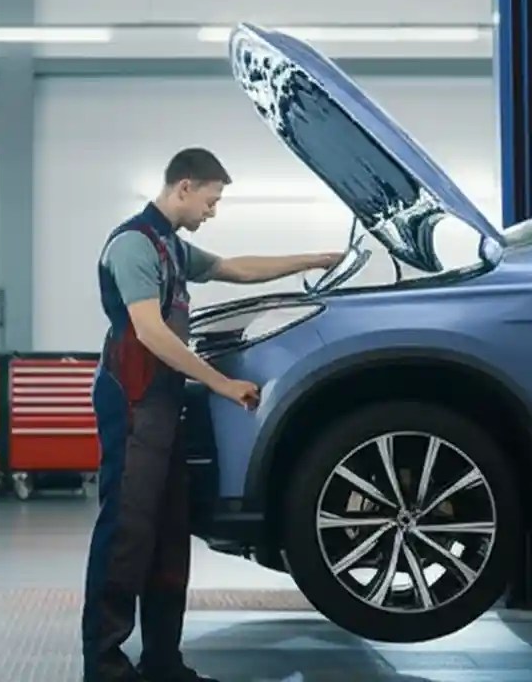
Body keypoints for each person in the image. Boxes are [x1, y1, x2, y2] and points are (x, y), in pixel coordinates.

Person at [80, 147, 343, 682]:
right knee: (128, 531)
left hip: (164, 401)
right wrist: (221, 384)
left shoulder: (172, 248)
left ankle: (161, 661)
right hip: (133, 399)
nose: (213, 211)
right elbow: (151, 332)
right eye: (211, 199)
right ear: (184, 187)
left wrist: (313, 260)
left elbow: (235, 269)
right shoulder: (134, 244)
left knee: (168, 533)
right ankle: (104, 664)